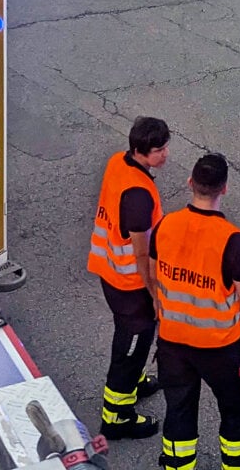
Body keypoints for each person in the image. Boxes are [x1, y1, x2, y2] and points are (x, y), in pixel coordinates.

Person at [151, 153, 240, 470]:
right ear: (224, 189)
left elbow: (153, 277)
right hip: (222, 349)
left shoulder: (165, 226)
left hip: (173, 344)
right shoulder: (233, 241)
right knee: (235, 417)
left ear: (190, 183)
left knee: (179, 412)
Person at [87, 116, 170, 440]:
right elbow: (140, 254)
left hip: (110, 272)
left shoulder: (118, 163)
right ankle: (117, 416)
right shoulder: (138, 195)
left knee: (133, 344)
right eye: (158, 151)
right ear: (140, 150)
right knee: (130, 348)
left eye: (165, 147)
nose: (165, 155)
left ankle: (135, 382)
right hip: (130, 285)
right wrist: (154, 294)